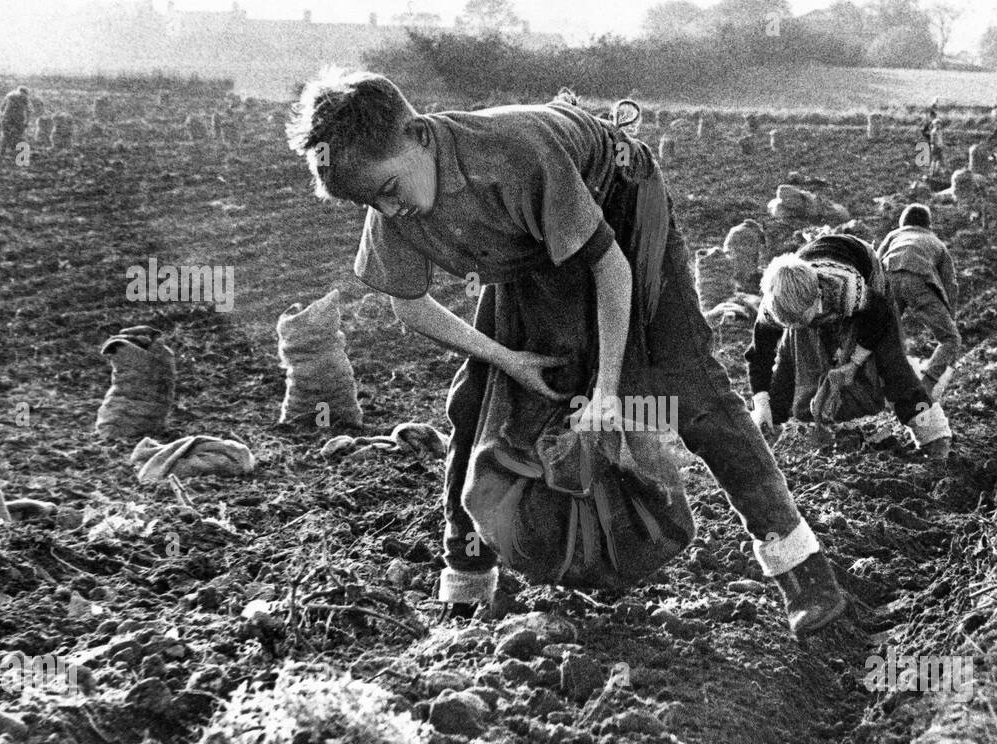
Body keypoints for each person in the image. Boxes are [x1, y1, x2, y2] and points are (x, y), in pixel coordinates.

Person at [285, 69, 851, 638]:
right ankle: (466, 589)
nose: (389, 212)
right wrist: (506, 359)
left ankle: (802, 570)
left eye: (388, 191)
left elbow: (610, 267)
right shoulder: (389, 199)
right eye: (371, 203)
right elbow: (409, 306)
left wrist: (607, 392)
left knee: (685, 391)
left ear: (420, 135)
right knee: (478, 400)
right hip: (526, 249)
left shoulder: (513, 154)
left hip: (620, 210)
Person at [746, 232, 952, 459]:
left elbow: (880, 316)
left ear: (817, 297)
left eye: (805, 318)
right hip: (807, 293)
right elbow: (760, 355)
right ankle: (763, 441)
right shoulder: (772, 309)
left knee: (892, 365)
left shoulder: (845, 288)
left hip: (867, 278)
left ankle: (933, 434)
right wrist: (762, 404)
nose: (800, 326)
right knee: (787, 363)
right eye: (792, 323)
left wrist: (854, 363)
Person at [875, 205, 963, 401]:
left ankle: (878, 385)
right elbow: (951, 285)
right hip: (919, 282)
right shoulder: (936, 242)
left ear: (902, 224)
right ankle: (925, 388)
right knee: (951, 339)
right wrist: (950, 319)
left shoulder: (894, 235)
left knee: (880, 335)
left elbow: (875, 262)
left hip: (889, 278)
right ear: (928, 225)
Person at [0, 85, 31, 157]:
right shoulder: (25, 97)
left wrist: (2, 117)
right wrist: (27, 122)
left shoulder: (9, 95)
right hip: (18, 119)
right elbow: (28, 110)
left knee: (5, 135)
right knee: (18, 135)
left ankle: (2, 152)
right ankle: (15, 153)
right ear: (25, 92)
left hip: (7, 118)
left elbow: (2, 107)